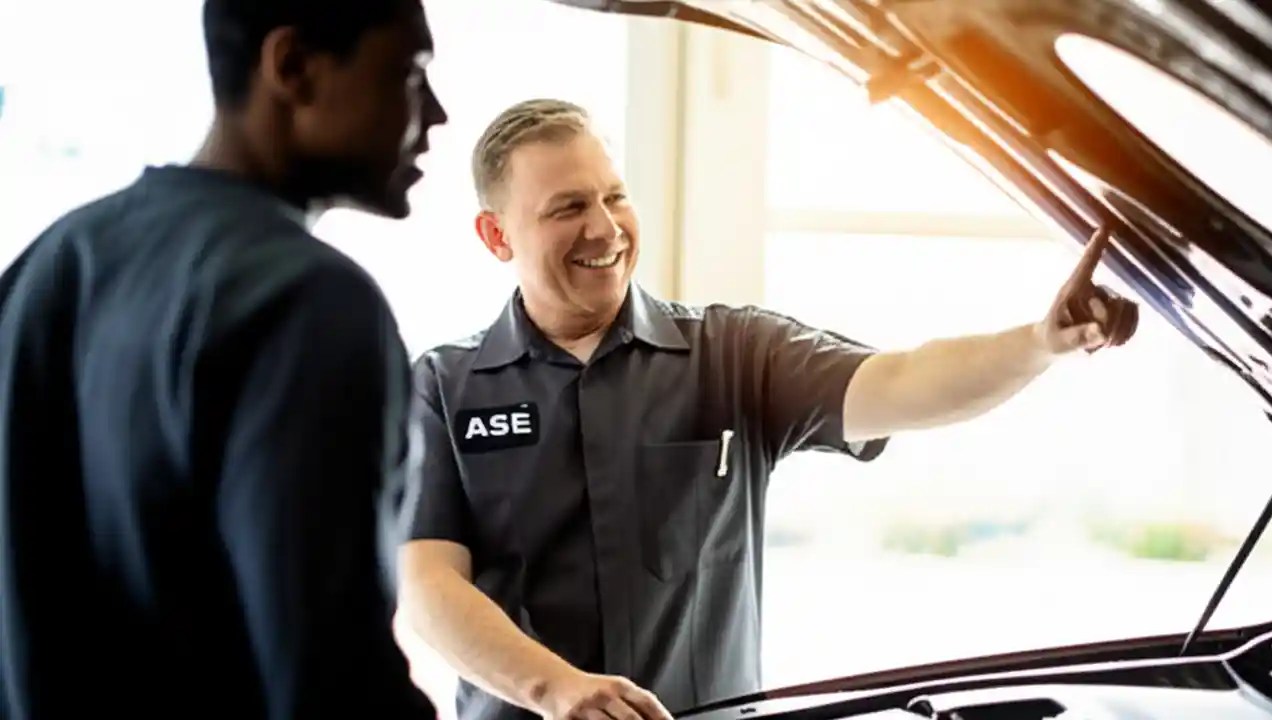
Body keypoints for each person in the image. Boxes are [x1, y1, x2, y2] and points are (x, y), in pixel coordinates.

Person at [394, 99, 1138, 720]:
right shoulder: (442, 386)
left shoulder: (735, 352)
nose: (605, 229)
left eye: (614, 196)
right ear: (497, 235)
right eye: (567, 208)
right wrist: (559, 691)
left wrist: (1042, 341)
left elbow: (906, 383)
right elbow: (428, 586)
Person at [0, 1, 448, 717]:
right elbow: (330, 682)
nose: (437, 115)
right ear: (292, 66)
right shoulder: (308, 302)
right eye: (410, 74)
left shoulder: (51, 263)